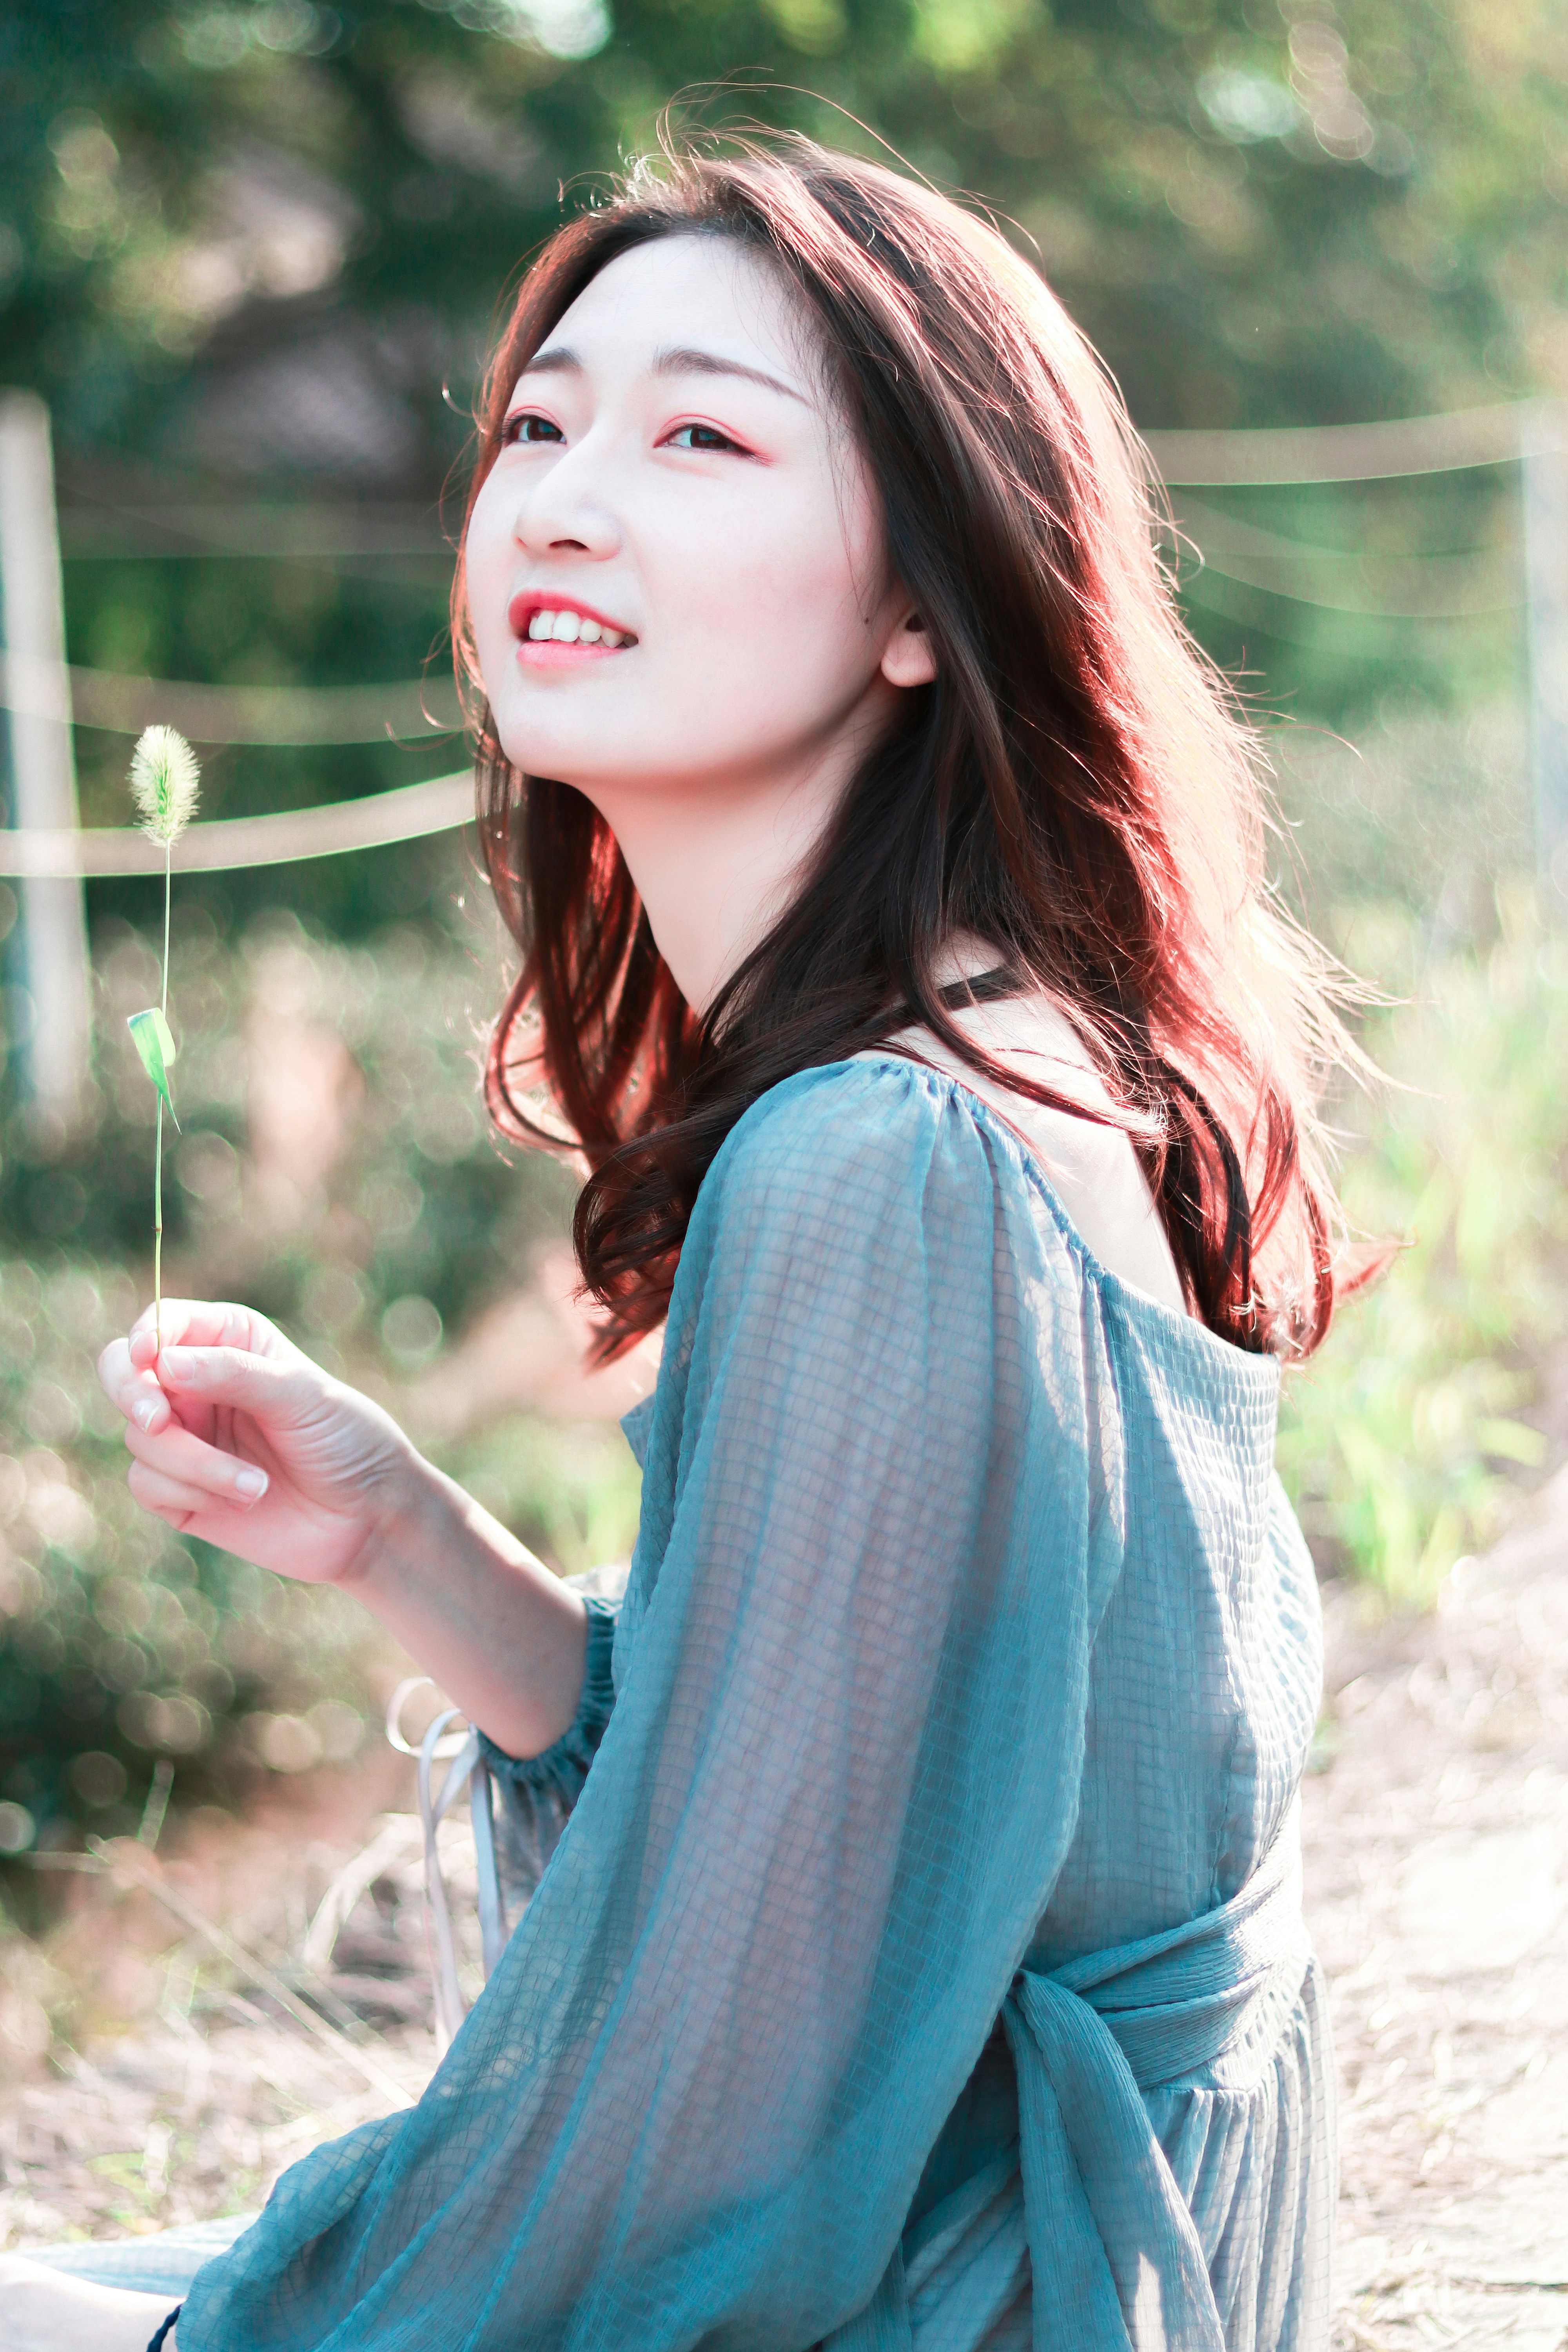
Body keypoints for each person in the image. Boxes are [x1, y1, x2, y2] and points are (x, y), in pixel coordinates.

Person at [4, 136, 1361, 2352]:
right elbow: (828, 1818)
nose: (557, 495)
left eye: (700, 436)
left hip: (994, 2281)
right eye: (536, 424)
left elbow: (705, 2135)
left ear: (929, 600)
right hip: (1065, 2239)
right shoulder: (985, 1060)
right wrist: (407, 1539)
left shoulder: (883, 1158)